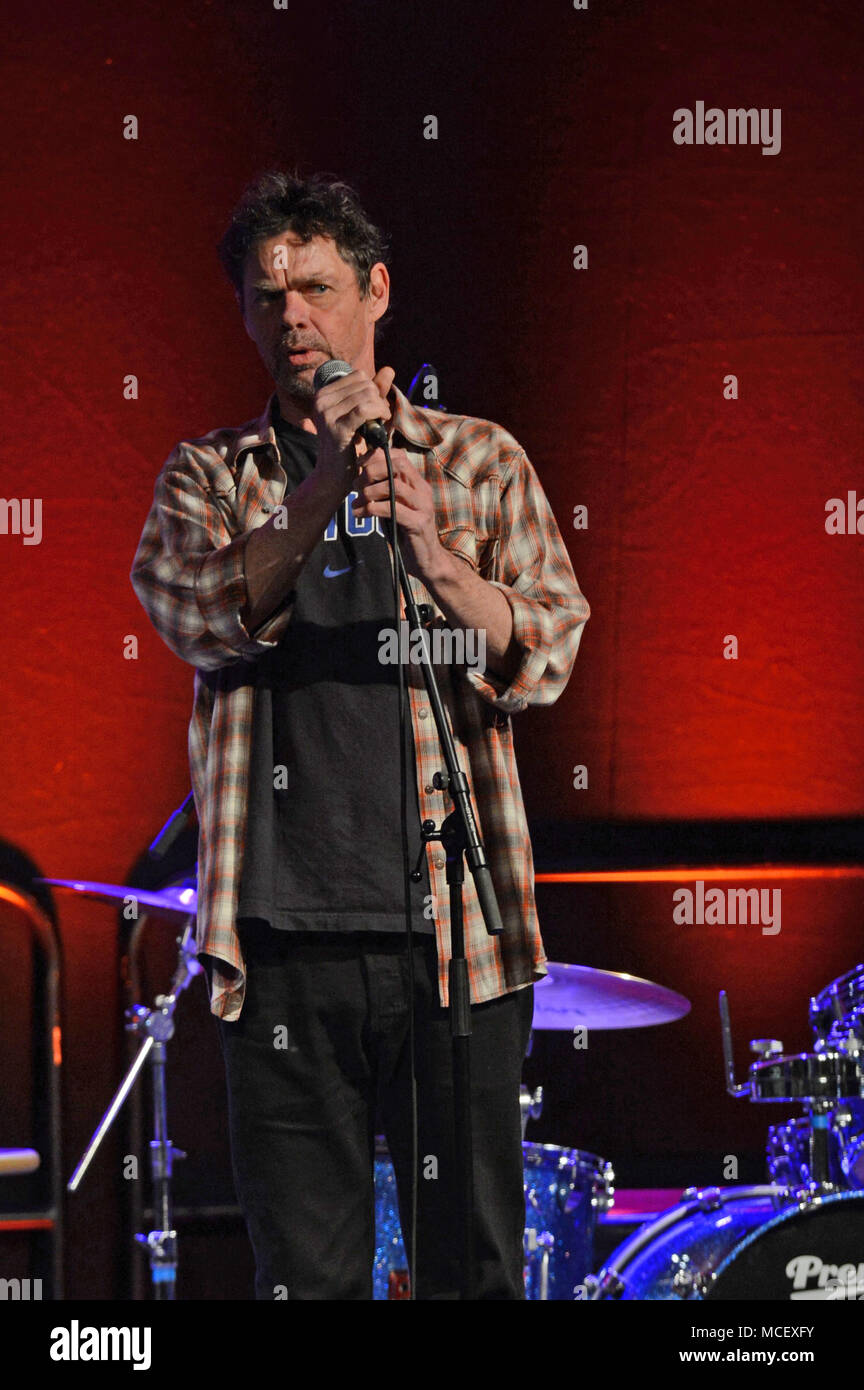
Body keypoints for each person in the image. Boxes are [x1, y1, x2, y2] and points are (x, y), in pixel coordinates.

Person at [131, 170, 589, 1300]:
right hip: (283, 949)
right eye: (266, 297)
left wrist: (438, 560)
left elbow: (547, 647)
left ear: (375, 291)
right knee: (308, 1279)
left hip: (457, 942)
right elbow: (204, 614)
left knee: (470, 1269)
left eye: (316, 288)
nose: (291, 316)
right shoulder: (211, 475)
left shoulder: (481, 461)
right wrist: (333, 475)